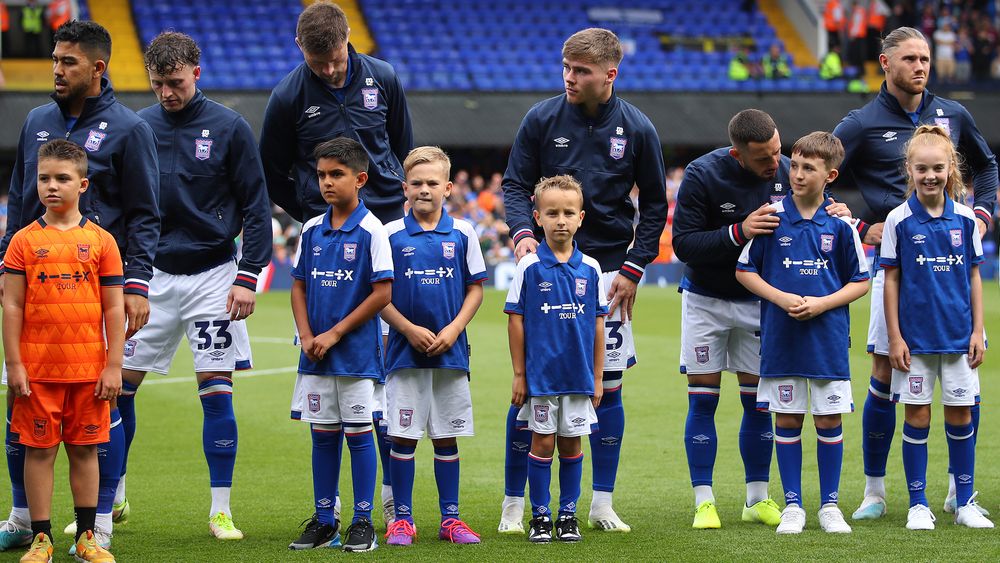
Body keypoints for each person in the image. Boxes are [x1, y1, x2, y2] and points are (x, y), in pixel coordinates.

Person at [102, 31, 270, 541]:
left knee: (215, 394)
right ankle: (112, 499)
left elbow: (257, 206)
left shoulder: (229, 127)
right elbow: (117, 207)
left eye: (174, 83)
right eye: (157, 84)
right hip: (146, 277)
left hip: (213, 276)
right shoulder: (136, 128)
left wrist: (247, 277)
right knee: (115, 393)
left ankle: (220, 509)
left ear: (196, 73)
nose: (166, 94)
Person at [499, 27, 667, 534]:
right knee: (530, 391)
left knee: (606, 390)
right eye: (566, 68)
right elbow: (514, 184)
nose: (570, 78)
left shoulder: (638, 128)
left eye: (582, 71)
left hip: (610, 274)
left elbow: (656, 206)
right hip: (547, 271)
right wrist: (524, 234)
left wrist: (635, 269)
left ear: (610, 75)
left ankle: (599, 503)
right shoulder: (541, 118)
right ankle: (513, 503)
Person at [0, 20, 159, 552]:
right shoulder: (37, 120)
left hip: (94, 292)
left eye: (68, 61)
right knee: (22, 406)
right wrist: (6, 272)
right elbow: (21, 200)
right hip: (33, 286)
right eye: (54, 59)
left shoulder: (130, 128)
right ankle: (25, 520)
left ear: (97, 67)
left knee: (95, 416)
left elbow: (143, 214)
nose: (57, 69)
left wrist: (135, 284)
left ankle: (97, 525)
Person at [832, 27, 998, 520]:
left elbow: (987, 168)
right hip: (895, 265)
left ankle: (956, 491)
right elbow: (817, 169)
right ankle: (875, 492)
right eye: (910, 58)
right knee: (886, 373)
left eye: (926, 57)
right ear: (885, 63)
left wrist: (982, 218)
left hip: (948, 256)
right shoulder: (861, 123)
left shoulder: (955, 113)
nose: (921, 66)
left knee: (964, 373)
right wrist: (863, 226)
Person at [260, 2, 413, 521]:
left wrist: (394, 203)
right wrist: (310, 206)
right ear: (300, 49)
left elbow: (402, 146)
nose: (329, 70)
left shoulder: (384, 78)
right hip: (325, 234)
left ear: (349, 39)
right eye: (317, 61)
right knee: (337, 370)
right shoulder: (287, 95)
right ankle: (338, 508)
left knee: (393, 364)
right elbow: (273, 169)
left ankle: (395, 497)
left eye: (336, 58)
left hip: (387, 222)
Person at [735, 132, 870, 534]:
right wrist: (781, 298)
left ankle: (830, 506)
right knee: (789, 420)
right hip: (781, 340)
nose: (796, 174)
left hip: (827, 340)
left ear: (829, 175)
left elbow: (860, 281)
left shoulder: (842, 226)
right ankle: (793, 505)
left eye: (808, 168)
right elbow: (744, 271)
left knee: (828, 422)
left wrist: (823, 303)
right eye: (793, 165)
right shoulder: (772, 217)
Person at [4, 139, 123, 563]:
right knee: (38, 452)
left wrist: (113, 366)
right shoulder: (21, 241)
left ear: (83, 184)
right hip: (37, 371)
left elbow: (113, 306)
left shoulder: (103, 242)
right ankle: (41, 538)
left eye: (62, 178)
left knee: (85, 450)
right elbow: (12, 303)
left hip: (89, 370)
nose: (51, 186)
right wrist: (14, 363)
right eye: (44, 178)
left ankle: (87, 537)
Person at [881, 125, 992, 530]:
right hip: (916, 342)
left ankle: (964, 502)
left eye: (938, 169)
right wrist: (894, 336)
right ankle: (917, 504)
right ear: (909, 170)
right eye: (922, 168)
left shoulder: (964, 218)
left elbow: (974, 278)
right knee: (918, 417)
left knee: (961, 417)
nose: (930, 176)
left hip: (959, 339)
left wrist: (978, 331)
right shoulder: (898, 220)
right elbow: (890, 279)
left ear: (951, 170)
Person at [287, 138, 392, 553]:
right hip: (315, 355)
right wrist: (309, 335)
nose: (326, 182)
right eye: (321, 175)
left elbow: (382, 292)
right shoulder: (312, 229)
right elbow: (298, 285)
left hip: (355, 356)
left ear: (360, 179)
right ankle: (325, 519)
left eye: (336, 174)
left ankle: (363, 521)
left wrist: (334, 333)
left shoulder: (372, 231)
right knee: (323, 435)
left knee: (360, 435)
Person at [380, 147, 486, 546]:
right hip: (404, 354)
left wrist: (455, 329)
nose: (424, 190)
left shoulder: (463, 233)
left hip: (451, 353)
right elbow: (377, 295)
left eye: (432, 183)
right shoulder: (389, 235)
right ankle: (402, 520)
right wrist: (407, 329)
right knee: (403, 436)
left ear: (448, 187)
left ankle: (451, 520)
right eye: (417, 183)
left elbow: (475, 288)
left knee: (446, 435)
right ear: (405, 187)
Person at [505, 175, 607, 543]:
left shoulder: (591, 269)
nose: (560, 220)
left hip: (578, 377)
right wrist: (520, 374)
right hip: (542, 378)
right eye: (552, 213)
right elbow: (515, 321)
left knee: (572, 444)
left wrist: (597, 377)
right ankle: (541, 515)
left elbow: (598, 326)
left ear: (581, 217)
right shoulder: (528, 267)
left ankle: (568, 514)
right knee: (542, 443)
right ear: (537, 217)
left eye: (568, 212)